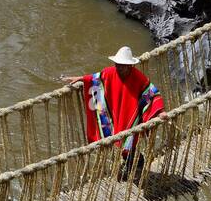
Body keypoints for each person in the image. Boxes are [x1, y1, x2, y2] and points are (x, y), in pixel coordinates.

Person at [62, 46, 164, 178]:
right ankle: (134, 164)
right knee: (119, 140)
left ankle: (136, 164)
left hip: (132, 114)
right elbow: (96, 78)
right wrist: (81, 78)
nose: (119, 67)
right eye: (117, 64)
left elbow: (152, 94)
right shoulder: (110, 72)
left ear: (130, 66)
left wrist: (160, 112)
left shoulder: (139, 78)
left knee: (129, 141)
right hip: (117, 111)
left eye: (122, 65)